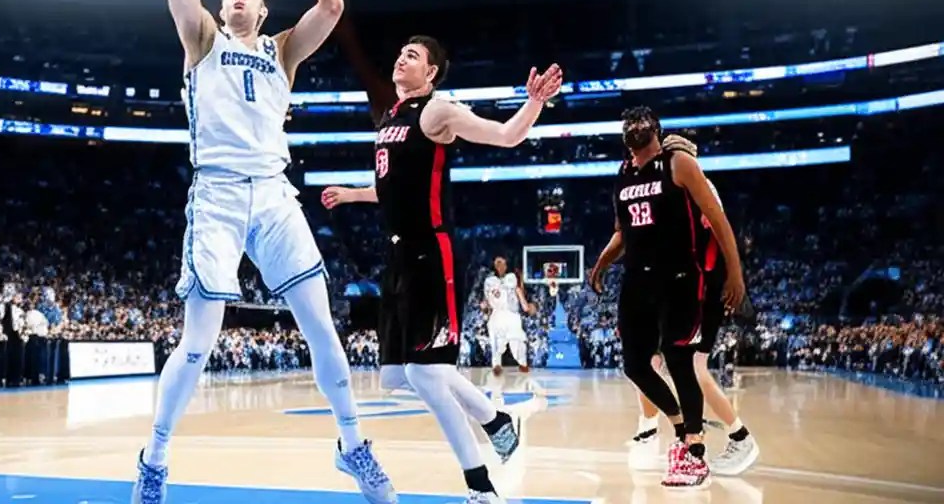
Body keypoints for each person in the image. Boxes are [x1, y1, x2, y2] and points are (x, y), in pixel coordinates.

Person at [133, 0, 394, 504]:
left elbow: (332, 3)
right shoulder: (202, 38)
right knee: (197, 344)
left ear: (264, 7)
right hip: (218, 195)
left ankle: (353, 447)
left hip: (275, 196)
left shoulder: (282, 51)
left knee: (324, 329)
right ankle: (155, 458)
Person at [321, 36, 563, 504]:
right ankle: (495, 420)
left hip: (431, 254)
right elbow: (389, 188)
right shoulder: (391, 118)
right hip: (397, 256)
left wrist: (532, 104)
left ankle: (481, 486)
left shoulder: (438, 112)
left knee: (428, 374)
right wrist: (352, 194)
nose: (401, 57)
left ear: (431, 73)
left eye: (413, 55)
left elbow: (506, 135)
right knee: (396, 377)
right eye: (401, 51)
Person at [588, 109, 746, 489]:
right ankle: (679, 425)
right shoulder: (623, 174)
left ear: (657, 132)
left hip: (678, 278)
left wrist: (735, 272)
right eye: (629, 126)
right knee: (634, 366)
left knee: (680, 361)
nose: (635, 130)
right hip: (636, 280)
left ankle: (694, 451)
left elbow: (718, 218)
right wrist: (601, 264)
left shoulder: (679, 164)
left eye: (643, 125)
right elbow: (622, 232)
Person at [619, 135, 760, 476]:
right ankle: (650, 427)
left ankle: (740, 437)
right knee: (651, 359)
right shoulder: (669, 185)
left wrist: (731, 281)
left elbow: (719, 236)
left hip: (704, 287)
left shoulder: (694, 185)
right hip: (683, 285)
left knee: (693, 368)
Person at [482, 256, 535, 384]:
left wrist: (527, 307)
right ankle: (496, 367)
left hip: (511, 315)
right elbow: (487, 302)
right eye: (497, 263)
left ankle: (523, 364)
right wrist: (485, 308)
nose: (500, 266)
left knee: (517, 341)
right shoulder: (490, 281)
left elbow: (519, 294)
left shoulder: (512, 279)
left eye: (502, 263)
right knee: (496, 344)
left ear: (506, 265)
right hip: (497, 315)